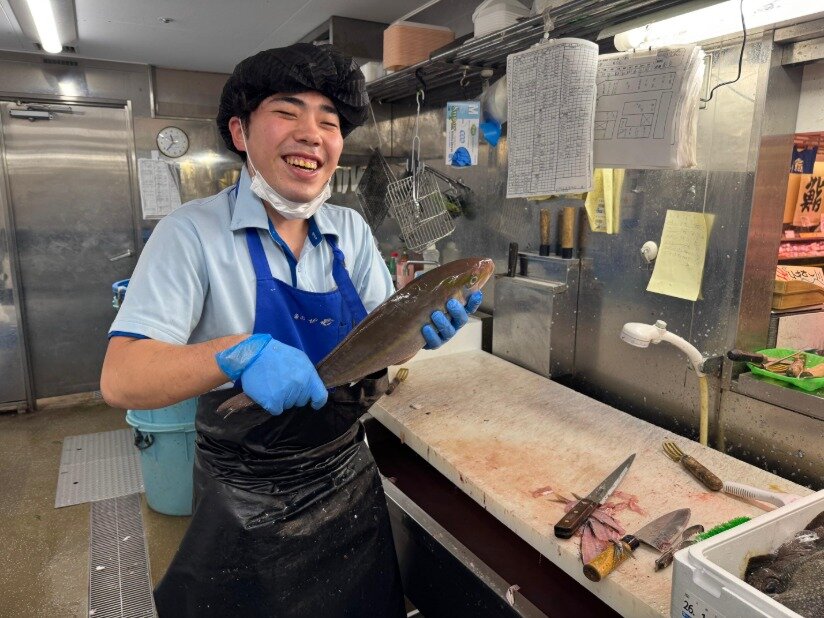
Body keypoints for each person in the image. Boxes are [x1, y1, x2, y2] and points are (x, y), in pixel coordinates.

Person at [101, 43, 482, 617]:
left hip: (345, 477)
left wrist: (420, 333)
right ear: (240, 131)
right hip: (243, 497)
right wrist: (236, 354)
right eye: (287, 112)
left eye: (329, 122)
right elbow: (122, 377)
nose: (311, 135)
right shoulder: (190, 234)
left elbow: (380, 344)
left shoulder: (350, 231)